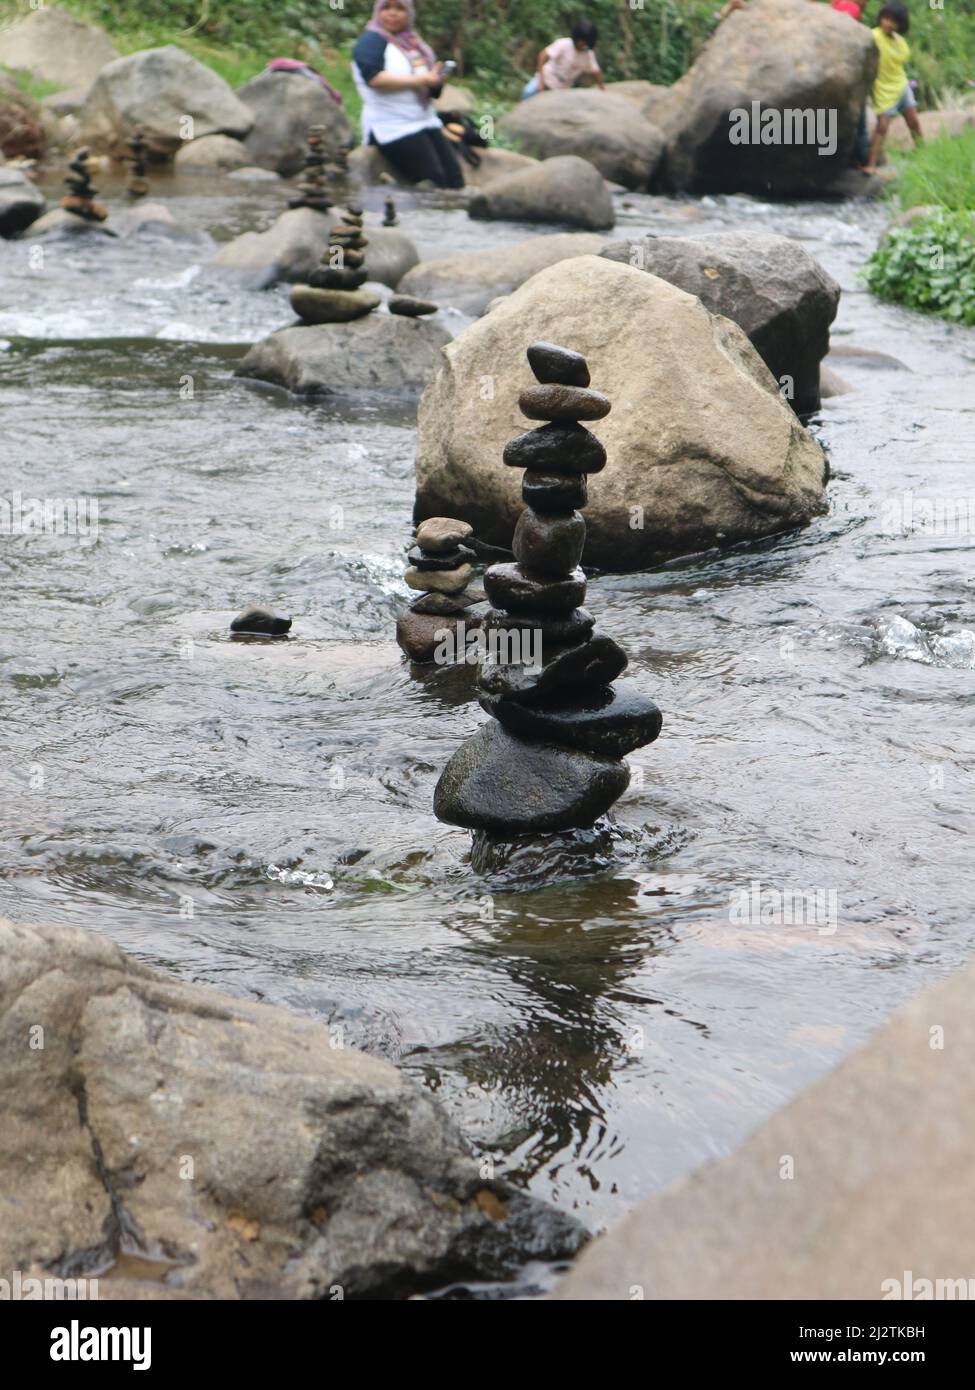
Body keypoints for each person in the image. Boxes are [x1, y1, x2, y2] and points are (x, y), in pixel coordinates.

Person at [352, 0, 464, 188]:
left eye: (399, 8)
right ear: (377, 12)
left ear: (409, 13)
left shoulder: (415, 45)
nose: (392, 13)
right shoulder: (371, 41)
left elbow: (430, 89)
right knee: (434, 181)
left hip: (425, 121)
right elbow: (374, 79)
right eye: (386, 8)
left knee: (455, 180)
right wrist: (421, 80)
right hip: (391, 125)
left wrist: (435, 81)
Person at [863, 3, 922, 174]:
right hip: (883, 88)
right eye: (886, 18)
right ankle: (871, 164)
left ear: (900, 24)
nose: (888, 23)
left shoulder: (900, 41)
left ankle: (923, 153)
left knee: (914, 123)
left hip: (901, 85)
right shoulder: (873, 36)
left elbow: (902, 58)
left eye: (893, 21)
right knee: (882, 126)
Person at [522, 21, 606, 100]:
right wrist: (540, 81)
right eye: (581, 41)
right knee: (528, 92)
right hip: (546, 78)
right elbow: (542, 55)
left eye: (585, 43)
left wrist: (602, 90)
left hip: (561, 89)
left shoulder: (588, 55)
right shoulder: (563, 44)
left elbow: (596, 72)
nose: (583, 44)